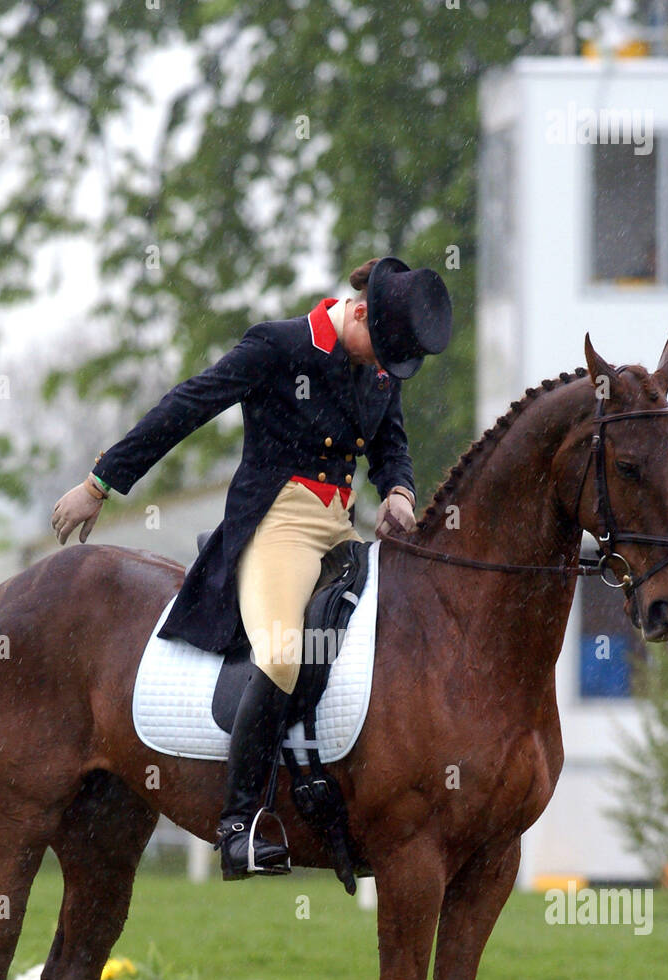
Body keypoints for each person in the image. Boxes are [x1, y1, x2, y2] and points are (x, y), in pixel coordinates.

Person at [52, 255, 452, 879]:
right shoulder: (279, 345)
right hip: (278, 525)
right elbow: (188, 405)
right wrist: (102, 481)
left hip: (343, 528)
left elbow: (390, 445)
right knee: (284, 653)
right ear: (362, 311)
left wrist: (399, 491)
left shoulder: (378, 367)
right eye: (379, 353)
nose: (382, 371)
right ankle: (239, 823)